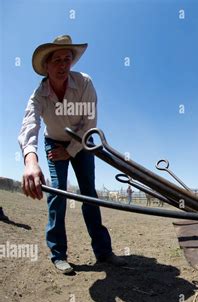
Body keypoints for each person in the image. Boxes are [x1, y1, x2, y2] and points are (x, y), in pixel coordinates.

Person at [18, 35, 125, 274]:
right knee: (58, 191)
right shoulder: (39, 95)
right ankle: (58, 254)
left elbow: (90, 123)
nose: (63, 65)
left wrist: (71, 150)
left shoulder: (84, 83)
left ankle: (104, 252)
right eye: (56, 60)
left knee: (89, 194)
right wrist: (30, 160)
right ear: (46, 66)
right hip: (53, 142)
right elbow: (29, 125)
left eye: (67, 59)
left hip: (81, 142)